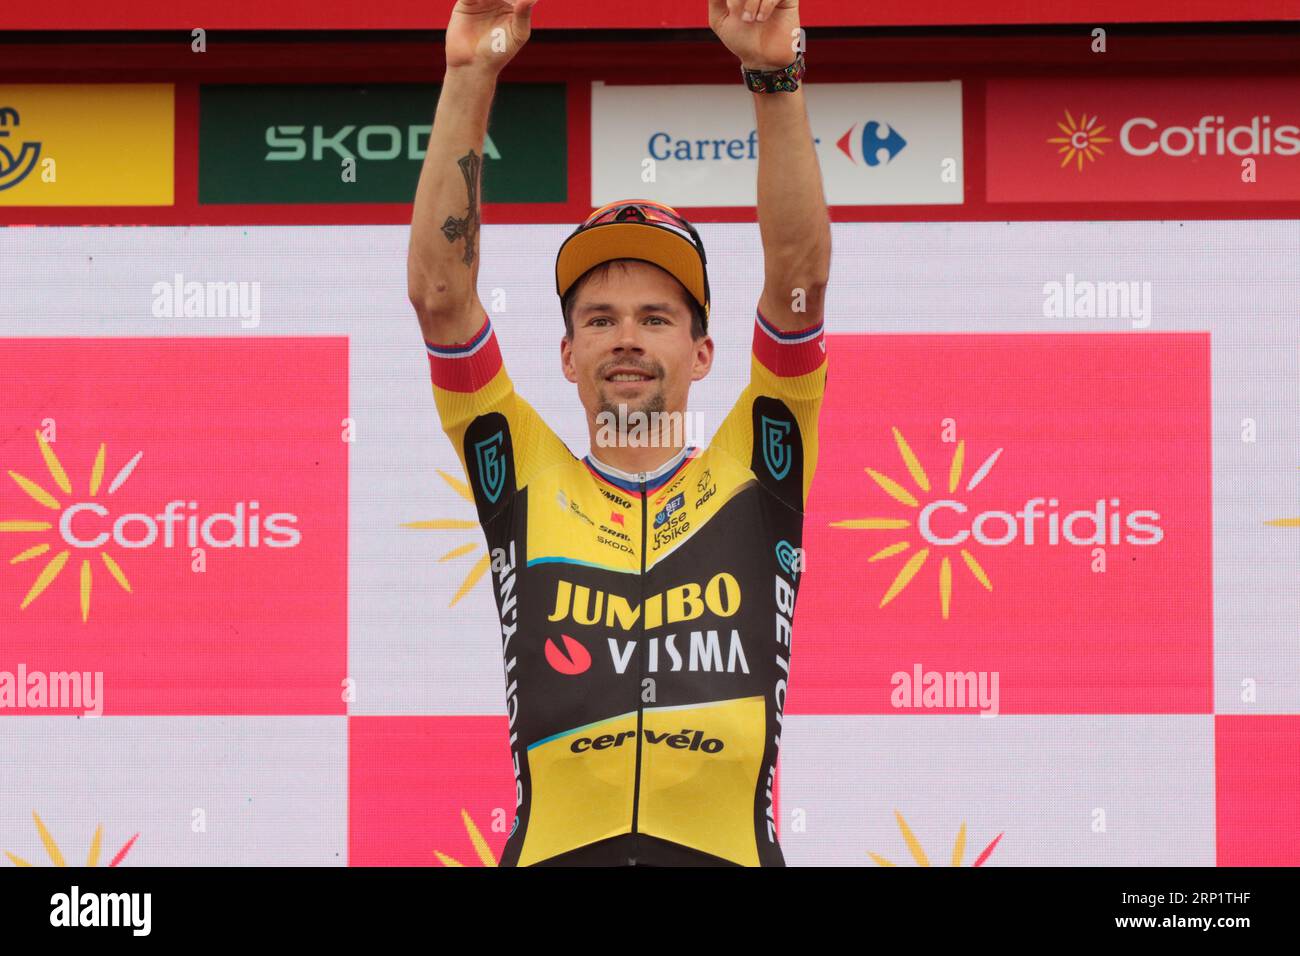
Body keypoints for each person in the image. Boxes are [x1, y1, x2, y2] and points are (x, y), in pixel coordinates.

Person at [408, 0, 831, 866]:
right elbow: (441, 298)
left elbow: (798, 286)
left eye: (655, 317)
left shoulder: (762, 462)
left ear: (705, 350)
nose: (628, 338)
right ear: (566, 355)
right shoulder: (520, 469)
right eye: (599, 320)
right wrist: (469, 73)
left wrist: (774, 79)